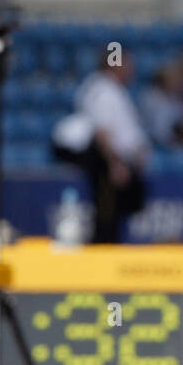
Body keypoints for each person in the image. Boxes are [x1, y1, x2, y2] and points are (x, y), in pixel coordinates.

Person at [52, 48, 149, 243]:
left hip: (113, 158)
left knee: (115, 213)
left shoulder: (115, 91)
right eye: (126, 64)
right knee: (107, 212)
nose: (131, 69)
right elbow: (102, 132)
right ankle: (103, 249)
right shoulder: (104, 90)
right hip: (102, 159)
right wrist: (115, 163)